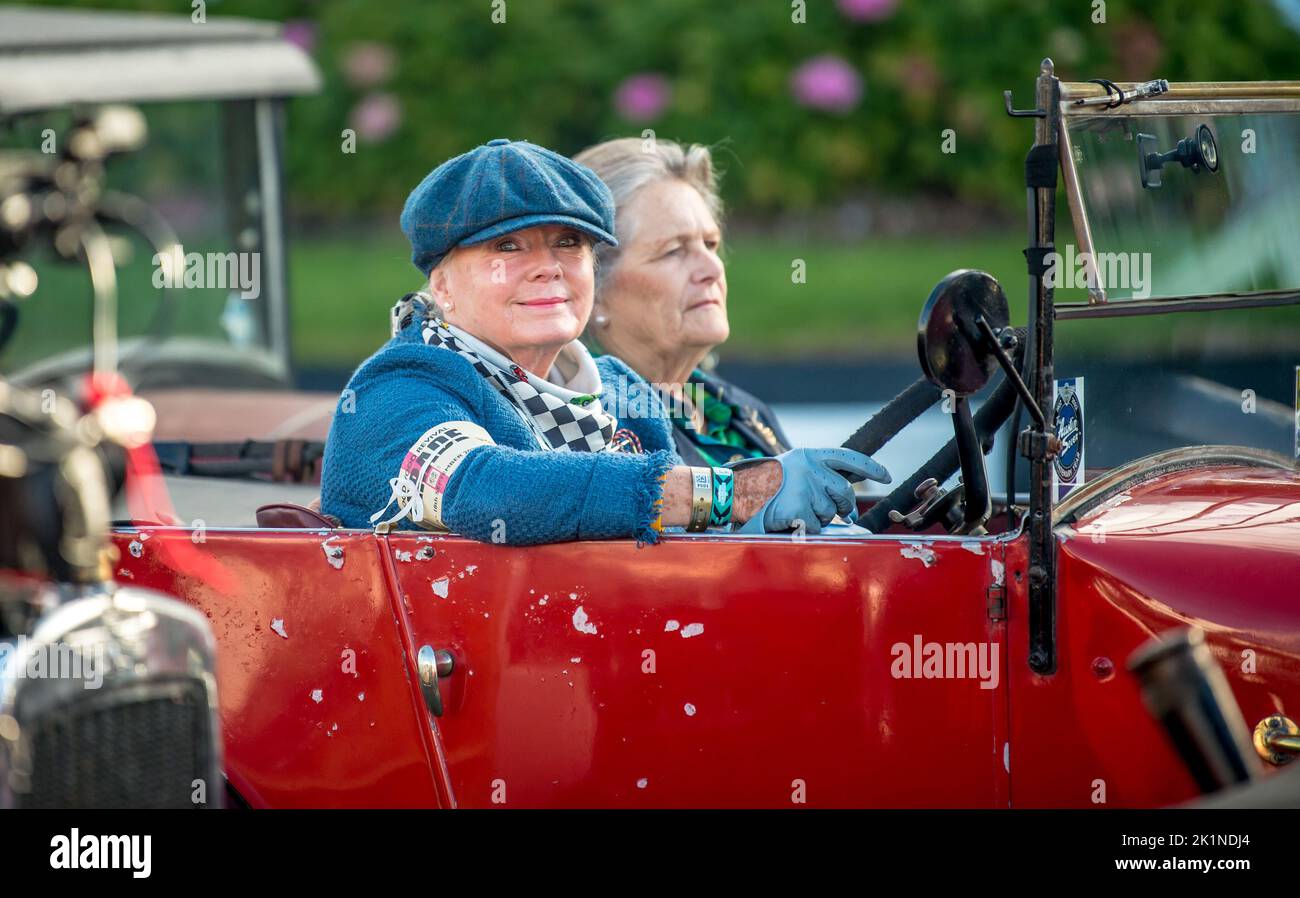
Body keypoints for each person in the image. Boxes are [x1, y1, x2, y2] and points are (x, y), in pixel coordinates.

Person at [320, 139, 888, 545]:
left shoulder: (619, 389)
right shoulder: (397, 388)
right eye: (507, 248)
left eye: (568, 243)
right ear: (441, 284)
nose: (547, 268)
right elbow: (487, 489)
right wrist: (734, 492)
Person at [574, 137, 791, 467]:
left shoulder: (734, 409)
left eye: (711, 243)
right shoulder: (591, 427)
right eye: (673, 251)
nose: (712, 268)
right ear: (593, 291)